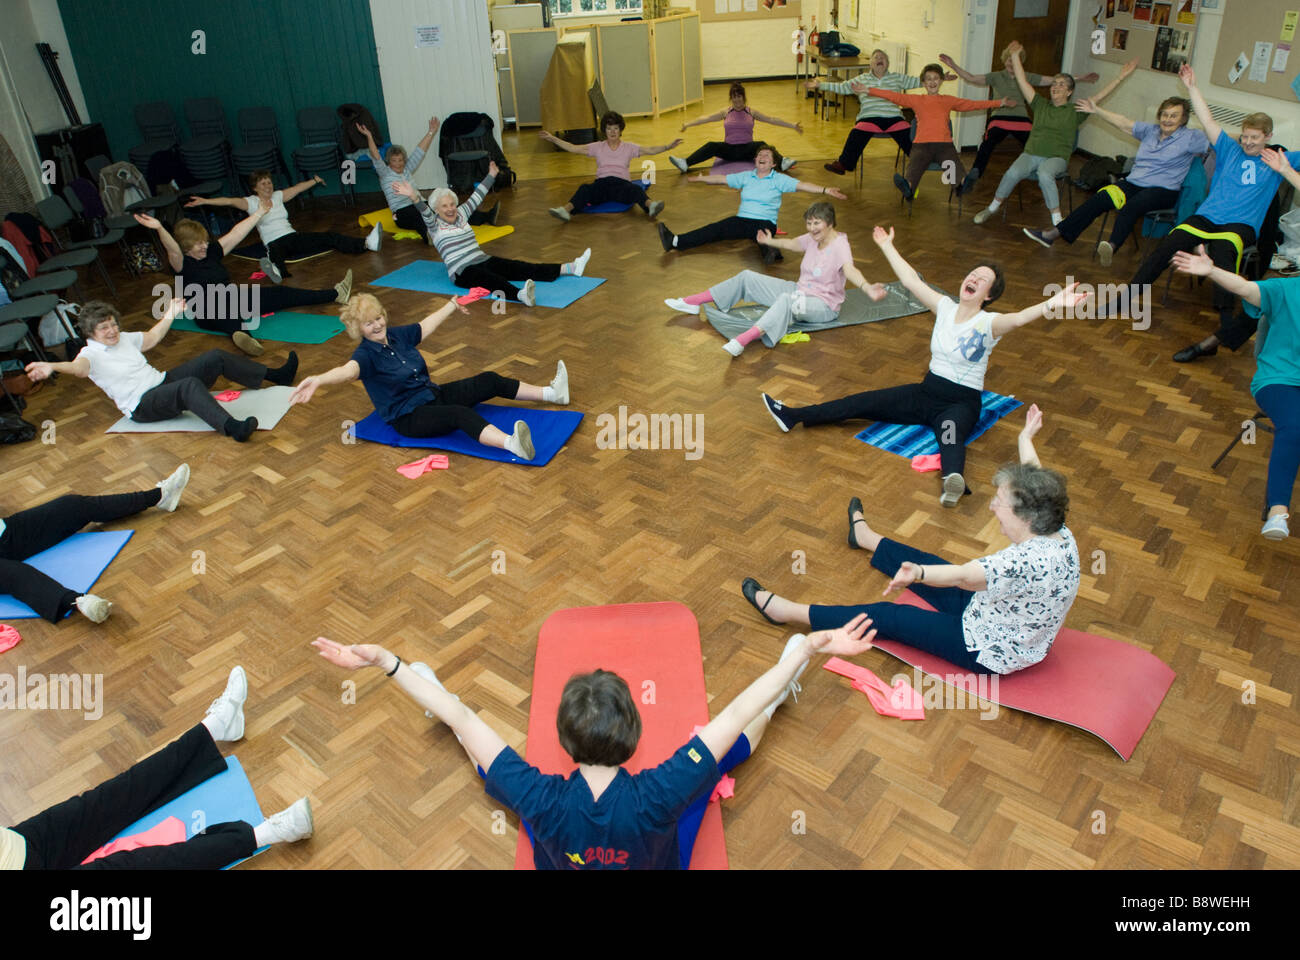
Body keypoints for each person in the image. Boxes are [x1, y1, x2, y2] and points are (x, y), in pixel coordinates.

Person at [311, 614, 878, 870]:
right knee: (723, 748)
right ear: (634, 734)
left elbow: (462, 716)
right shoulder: (663, 789)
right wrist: (803, 653)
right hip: (659, 851)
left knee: (484, 757)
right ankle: (789, 684)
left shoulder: (543, 798)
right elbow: (737, 711)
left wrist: (389, 662)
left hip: (564, 843)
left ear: (565, 739)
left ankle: (422, 685)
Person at [759, 225, 1088, 506]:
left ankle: (953, 482)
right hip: (925, 392)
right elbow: (912, 282)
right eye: (972, 274)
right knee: (860, 403)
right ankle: (794, 415)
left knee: (950, 437)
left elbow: (1019, 319)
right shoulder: (944, 306)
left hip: (960, 402)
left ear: (989, 294)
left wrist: (1053, 304)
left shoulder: (990, 323)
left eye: (982, 279)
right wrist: (887, 246)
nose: (973, 279)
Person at [742, 404, 1081, 676]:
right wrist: (1025, 437)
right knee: (931, 564)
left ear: (1026, 516)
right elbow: (1035, 478)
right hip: (998, 615)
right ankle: (865, 537)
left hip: (986, 649)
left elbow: (963, 576)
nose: (992, 507)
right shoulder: (1056, 528)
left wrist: (917, 575)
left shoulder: (1018, 563)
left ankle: (790, 612)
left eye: (1001, 504)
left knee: (890, 617)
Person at [2, 667, 314, 869]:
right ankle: (264, 834)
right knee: (140, 865)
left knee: (110, 798)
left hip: (17, 845)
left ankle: (216, 727)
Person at [1127, 65, 1300, 363]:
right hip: (1207, 217)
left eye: (1255, 138)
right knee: (1169, 243)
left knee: (1223, 254)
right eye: (1245, 136)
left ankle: (1224, 322)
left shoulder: (1278, 159)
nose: (1247, 142)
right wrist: (1192, 87)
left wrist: (1284, 169)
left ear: (1268, 137)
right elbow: (1207, 120)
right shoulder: (1230, 150)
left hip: (1239, 225)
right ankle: (1128, 296)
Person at [289, 293, 569, 461]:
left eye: (378, 318)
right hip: (408, 417)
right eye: (368, 323)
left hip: (430, 395)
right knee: (459, 414)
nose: (377, 325)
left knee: (488, 380)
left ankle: (551, 394)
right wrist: (319, 379)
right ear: (358, 329)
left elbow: (424, 327)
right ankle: (513, 445)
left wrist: (452, 304)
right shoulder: (365, 355)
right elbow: (347, 371)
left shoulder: (396, 335)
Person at [25, 298, 299, 442]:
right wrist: (51, 365)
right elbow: (78, 369)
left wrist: (170, 312)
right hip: (143, 406)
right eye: (104, 328)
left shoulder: (124, 338)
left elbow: (153, 338)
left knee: (214, 356)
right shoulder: (90, 354)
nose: (111, 331)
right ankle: (233, 428)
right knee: (190, 385)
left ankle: (276, 376)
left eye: (112, 324)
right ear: (91, 333)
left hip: (161, 383)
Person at [1173, 244, 1300, 539]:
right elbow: (1244, 288)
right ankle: (1277, 513)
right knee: (1294, 427)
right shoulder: (1286, 289)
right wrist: (1212, 270)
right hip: (1278, 379)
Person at [663, 201, 886, 356]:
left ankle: (743, 340)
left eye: (816, 223)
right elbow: (793, 244)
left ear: (830, 223)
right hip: (800, 290)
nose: (811, 228)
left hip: (824, 306)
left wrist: (867, 288)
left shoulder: (840, 245)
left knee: (787, 301)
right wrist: (769, 242)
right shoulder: (812, 238)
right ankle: (694, 302)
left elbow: (850, 270)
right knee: (747, 277)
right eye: (809, 223)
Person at [134, 211, 352, 357]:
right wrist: (159, 228)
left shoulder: (211, 252)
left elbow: (236, 234)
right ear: (185, 246)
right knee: (226, 314)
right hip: (205, 309)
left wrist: (258, 213)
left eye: (204, 241)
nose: (203, 246)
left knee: (280, 294)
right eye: (197, 243)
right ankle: (244, 338)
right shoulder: (181, 263)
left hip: (233, 297)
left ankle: (334, 294)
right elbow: (171, 248)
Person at [1022, 95, 1208, 264]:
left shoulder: (1191, 138)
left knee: (1132, 205)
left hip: (1163, 190)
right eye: (1164, 115)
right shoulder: (1149, 131)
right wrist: (1096, 110)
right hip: (1132, 183)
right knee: (1099, 198)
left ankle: (1111, 246)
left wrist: (1238, 141)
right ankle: (1053, 234)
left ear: (1183, 119)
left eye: (1173, 116)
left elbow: (1217, 139)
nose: (1167, 120)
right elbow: (1123, 123)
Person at [0, 464, 189, 625]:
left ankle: (160, 496)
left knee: (71, 505)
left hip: (6, 533)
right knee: (16, 574)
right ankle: (78, 602)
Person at [971, 41, 1135, 226]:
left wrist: (1120, 78)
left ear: (1070, 91)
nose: (1056, 87)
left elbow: (1099, 96)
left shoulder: (1076, 110)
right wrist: (1015, 56)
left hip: (1056, 158)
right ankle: (991, 208)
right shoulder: (1039, 104)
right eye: (1054, 83)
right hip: (1031, 153)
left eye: (1062, 84)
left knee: (1044, 174)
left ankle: (1058, 221)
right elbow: (1022, 80)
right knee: (1012, 172)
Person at [395, 163, 591, 307]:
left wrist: (491, 174)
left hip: (482, 258)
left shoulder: (462, 214)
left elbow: (477, 196)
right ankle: (520, 295)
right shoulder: (434, 224)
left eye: (452, 204)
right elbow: (423, 210)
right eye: (444, 206)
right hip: (462, 271)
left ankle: (569, 268)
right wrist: (413, 196)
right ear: (436, 209)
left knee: (519, 267)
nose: (450, 209)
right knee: (489, 279)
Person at [938, 48, 1098, 192]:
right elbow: (971, 77)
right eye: (1008, 59)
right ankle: (976, 172)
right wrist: (953, 65)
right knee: (988, 141)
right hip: (999, 117)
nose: (1010, 62)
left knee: (1034, 141)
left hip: (1021, 119)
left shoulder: (1027, 77)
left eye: (1013, 59)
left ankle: (1043, 170)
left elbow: (1053, 80)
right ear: (1004, 60)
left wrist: (1081, 78)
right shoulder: (995, 76)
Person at [657, 144, 846, 264]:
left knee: (763, 236)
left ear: (773, 164)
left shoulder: (779, 179)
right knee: (714, 229)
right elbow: (722, 179)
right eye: (759, 155)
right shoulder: (746, 176)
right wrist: (702, 179)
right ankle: (675, 241)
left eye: (767, 156)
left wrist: (825, 190)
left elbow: (803, 185)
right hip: (742, 220)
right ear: (755, 160)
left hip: (764, 221)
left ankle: (771, 250)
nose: (762, 157)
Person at [185, 171, 380, 282]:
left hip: (293, 237)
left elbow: (297, 188)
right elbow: (228, 201)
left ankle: (365, 244)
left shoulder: (278, 196)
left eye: (269, 182)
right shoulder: (251, 202)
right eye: (263, 184)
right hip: (273, 241)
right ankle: (278, 272)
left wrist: (314, 180)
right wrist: (204, 201)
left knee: (329, 237)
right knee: (275, 252)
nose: (268, 187)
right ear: (255, 188)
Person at [859, 63, 1010, 203]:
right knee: (915, 166)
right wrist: (869, 90)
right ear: (923, 83)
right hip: (921, 146)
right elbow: (894, 96)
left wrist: (999, 103)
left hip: (944, 146)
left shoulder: (948, 100)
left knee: (952, 164)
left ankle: (963, 184)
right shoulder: (916, 100)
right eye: (928, 79)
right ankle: (909, 188)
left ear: (941, 81)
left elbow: (973, 105)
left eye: (936, 78)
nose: (932, 82)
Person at [354, 117, 498, 241]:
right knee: (420, 216)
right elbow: (375, 155)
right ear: (389, 162)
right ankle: (429, 236)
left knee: (448, 209)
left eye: (401, 160)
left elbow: (419, 151)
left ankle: (486, 217)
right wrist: (369, 136)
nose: (398, 163)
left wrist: (431, 132)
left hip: (420, 204)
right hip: (402, 212)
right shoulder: (385, 173)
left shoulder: (407, 169)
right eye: (394, 161)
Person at [808, 49, 942, 175]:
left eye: (883, 57)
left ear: (888, 64)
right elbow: (843, 87)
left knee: (909, 136)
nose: (879, 59)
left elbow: (920, 81)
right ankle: (844, 164)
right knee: (856, 134)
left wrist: (939, 78)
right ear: (871, 64)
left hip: (893, 117)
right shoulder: (862, 79)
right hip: (869, 117)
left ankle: (923, 161)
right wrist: (820, 85)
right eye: (876, 57)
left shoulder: (897, 78)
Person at [541, 111, 681, 221]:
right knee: (585, 189)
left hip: (621, 186)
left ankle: (652, 207)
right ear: (604, 130)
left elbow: (649, 150)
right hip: (602, 185)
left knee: (635, 189)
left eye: (616, 128)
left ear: (620, 130)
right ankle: (564, 211)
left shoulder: (629, 147)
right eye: (609, 128)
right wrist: (552, 138)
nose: (613, 132)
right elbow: (573, 148)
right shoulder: (597, 147)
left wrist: (668, 147)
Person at [669, 82, 802, 174]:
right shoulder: (725, 112)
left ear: (744, 98)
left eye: (739, 97)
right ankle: (685, 163)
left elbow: (772, 119)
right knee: (711, 145)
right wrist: (688, 124)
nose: (737, 101)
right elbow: (706, 118)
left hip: (748, 150)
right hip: (729, 150)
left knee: (762, 145)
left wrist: (792, 125)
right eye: (734, 98)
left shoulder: (751, 112)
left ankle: (782, 162)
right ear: (731, 98)